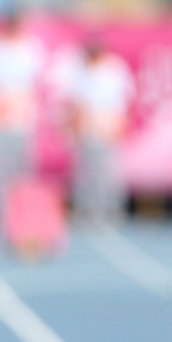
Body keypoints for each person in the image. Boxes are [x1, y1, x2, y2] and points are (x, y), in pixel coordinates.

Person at [0, 11, 45, 219]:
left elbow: (34, 85)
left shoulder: (31, 48)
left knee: (23, 167)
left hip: (22, 117)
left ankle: (23, 212)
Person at [63, 35, 134, 225]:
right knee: (86, 170)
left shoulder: (115, 70)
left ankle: (110, 208)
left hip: (107, 123)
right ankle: (86, 208)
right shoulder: (80, 70)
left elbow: (123, 101)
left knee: (109, 170)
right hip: (88, 124)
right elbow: (77, 103)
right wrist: (76, 127)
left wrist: (120, 125)